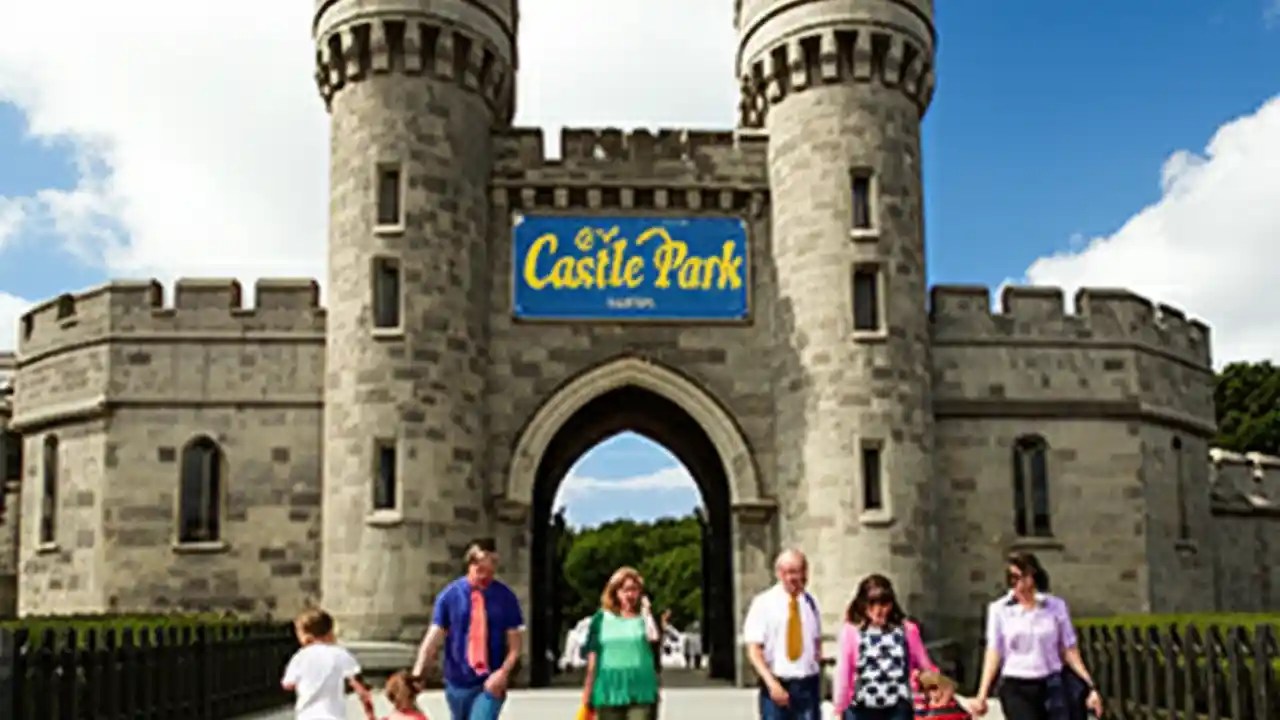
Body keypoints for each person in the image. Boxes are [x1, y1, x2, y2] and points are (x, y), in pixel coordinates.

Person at [968, 551, 1104, 720]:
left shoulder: (1055, 606)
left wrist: (1090, 685)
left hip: (1051, 683)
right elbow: (994, 651)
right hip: (1016, 683)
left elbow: (1069, 649)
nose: (1019, 584)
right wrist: (982, 694)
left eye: (1023, 577)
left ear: (1034, 576)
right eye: (1013, 579)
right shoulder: (999, 610)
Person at [411, 539, 525, 720]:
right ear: (470, 565)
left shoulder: (506, 598)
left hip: (490, 682)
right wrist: (417, 674)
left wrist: (503, 673)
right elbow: (433, 639)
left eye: (490, 570)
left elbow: (515, 646)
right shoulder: (450, 596)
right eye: (480, 569)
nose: (485, 576)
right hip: (457, 682)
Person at [832, 574, 944, 720]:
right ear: (863, 604)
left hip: (897, 708)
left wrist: (935, 686)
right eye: (872, 604)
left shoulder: (907, 630)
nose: (878, 610)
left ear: (891, 604)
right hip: (860, 709)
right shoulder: (851, 632)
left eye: (883, 604)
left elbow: (925, 665)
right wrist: (839, 708)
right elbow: (843, 673)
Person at [742, 549, 823, 720]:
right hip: (777, 681)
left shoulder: (811, 603)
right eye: (786, 572)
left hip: (807, 685)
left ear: (805, 572)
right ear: (778, 573)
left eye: (796, 572)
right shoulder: (764, 603)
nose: (791, 578)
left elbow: (816, 641)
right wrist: (771, 683)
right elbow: (754, 649)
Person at [580, 566, 662, 720]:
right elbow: (593, 660)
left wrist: (647, 613)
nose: (630, 595)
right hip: (608, 689)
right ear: (615, 592)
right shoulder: (600, 619)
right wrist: (587, 692)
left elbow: (654, 638)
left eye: (634, 590)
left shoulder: (645, 618)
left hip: (641, 689)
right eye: (625, 590)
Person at [281, 607, 376, 720]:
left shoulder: (299, 657)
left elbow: (288, 684)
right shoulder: (341, 654)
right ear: (331, 631)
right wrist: (370, 714)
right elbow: (360, 689)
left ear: (304, 635)